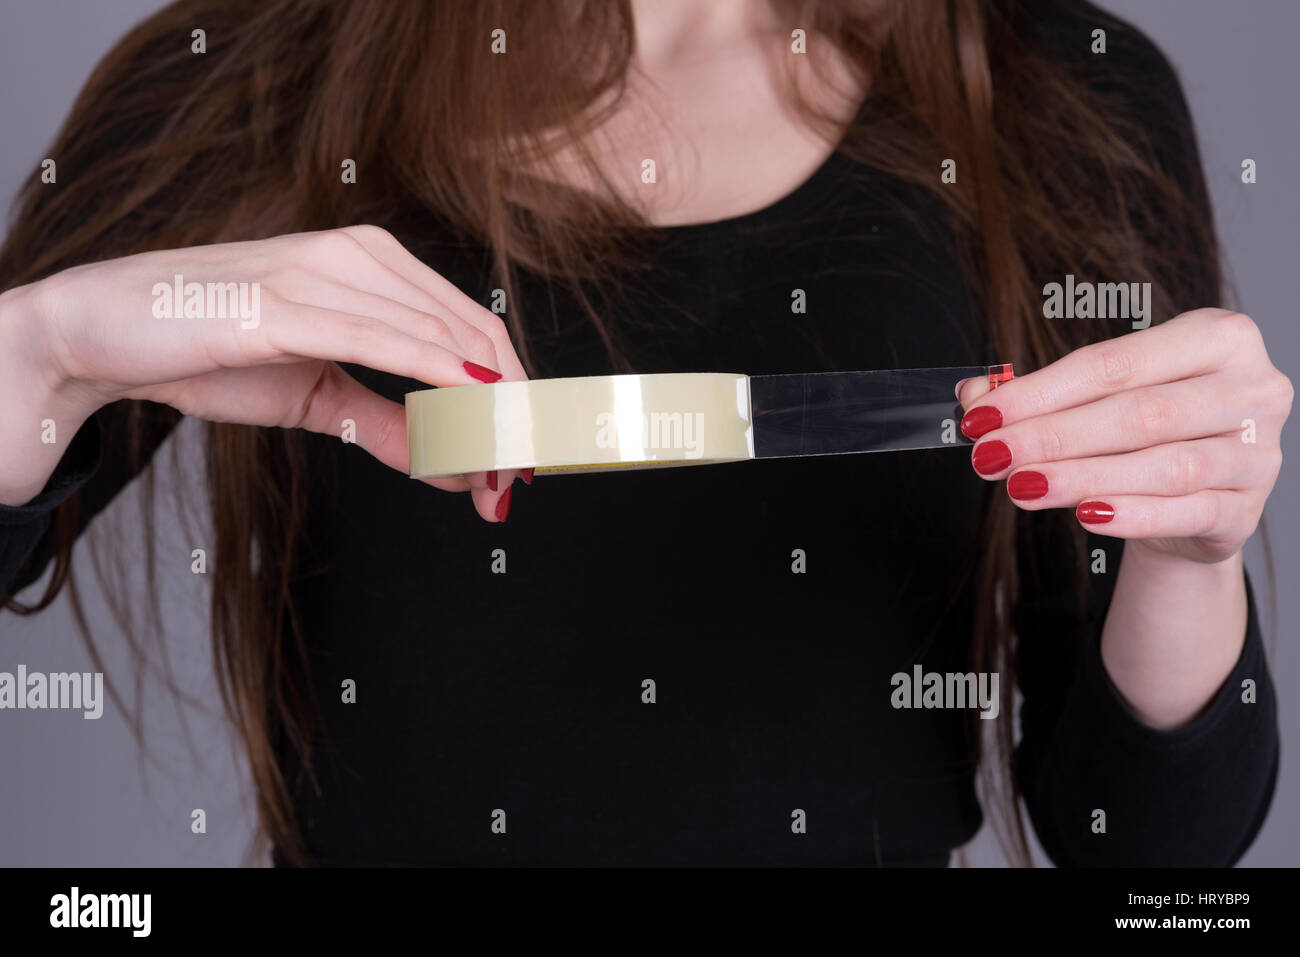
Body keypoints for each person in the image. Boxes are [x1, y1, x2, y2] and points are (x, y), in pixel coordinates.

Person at [0, 0, 1287, 866]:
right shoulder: (259, 62)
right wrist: (38, 349)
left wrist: (1186, 553)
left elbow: (1145, 844)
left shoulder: (1063, 91)